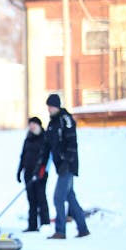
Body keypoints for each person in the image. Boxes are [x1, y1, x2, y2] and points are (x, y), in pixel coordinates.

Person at [39, 94, 89, 239]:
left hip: (68, 165)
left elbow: (72, 143)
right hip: (60, 165)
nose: (49, 109)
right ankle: (83, 228)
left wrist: (66, 162)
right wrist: (42, 165)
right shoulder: (52, 123)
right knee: (70, 197)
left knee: (58, 197)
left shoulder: (65, 120)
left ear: (57, 106)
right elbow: (47, 146)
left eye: (51, 106)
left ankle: (60, 230)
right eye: (48, 106)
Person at [17, 116, 49, 232]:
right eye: (30, 124)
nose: (31, 126)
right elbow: (23, 155)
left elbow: (45, 157)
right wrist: (19, 170)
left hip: (40, 173)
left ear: (39, 125)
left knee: (41, 197)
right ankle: (32, 225)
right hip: (28, 172)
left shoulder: (44, 138)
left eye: (34, 124)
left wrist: (40, 172)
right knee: (31, 199)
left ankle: (45, 224)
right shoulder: (28, 139)